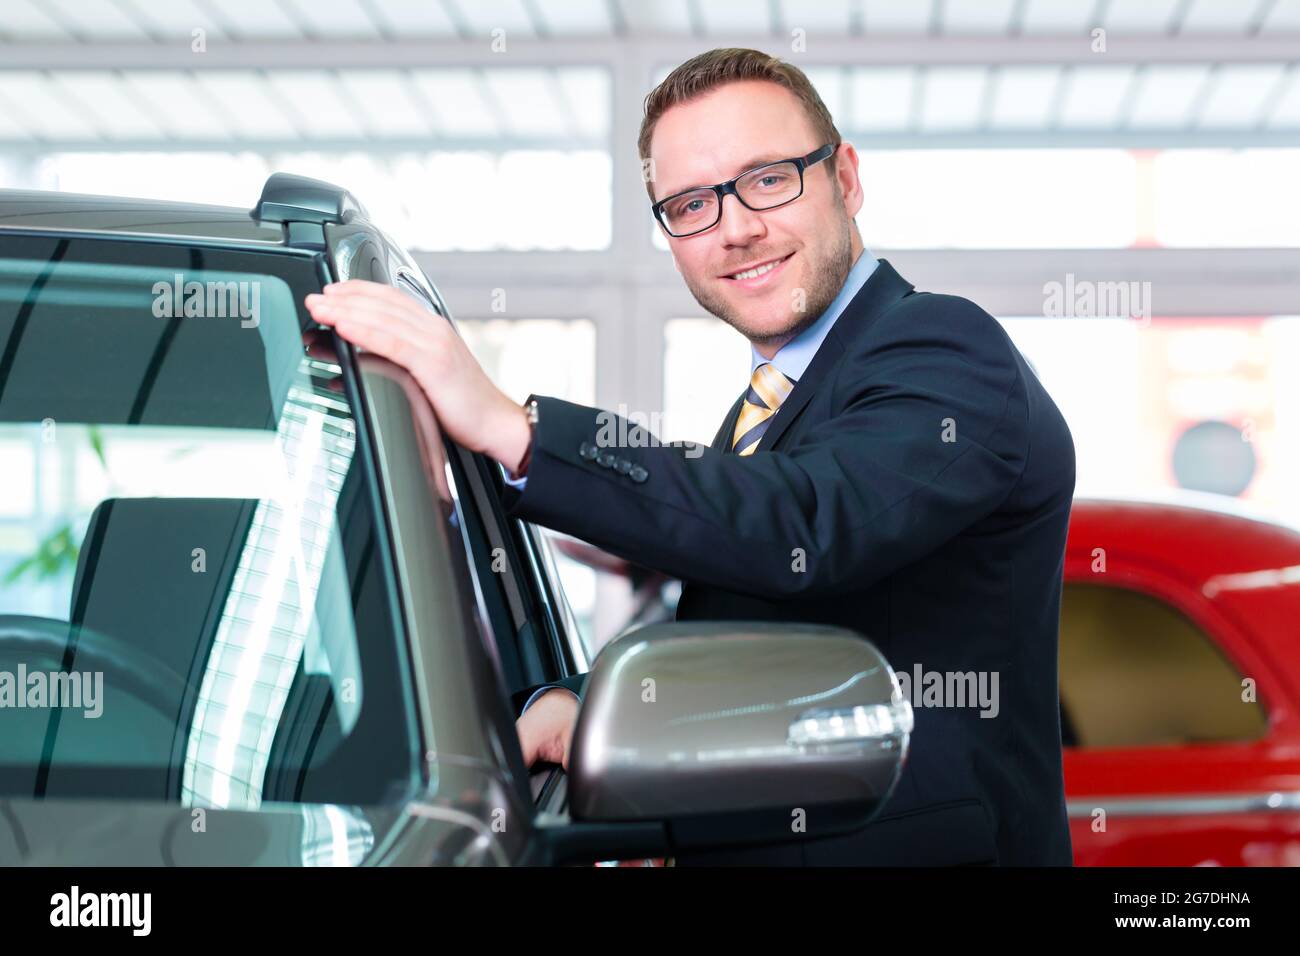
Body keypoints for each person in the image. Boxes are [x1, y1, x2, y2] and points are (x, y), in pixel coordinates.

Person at [305, 47, 1076, 866]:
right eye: (692, 204)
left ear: (844, 179)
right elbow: (750, 632)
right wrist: (594, 704)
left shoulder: (945, 349)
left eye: (769, 179)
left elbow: (800, 526)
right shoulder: (767, 407)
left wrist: (515, 428)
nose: (737, 228)